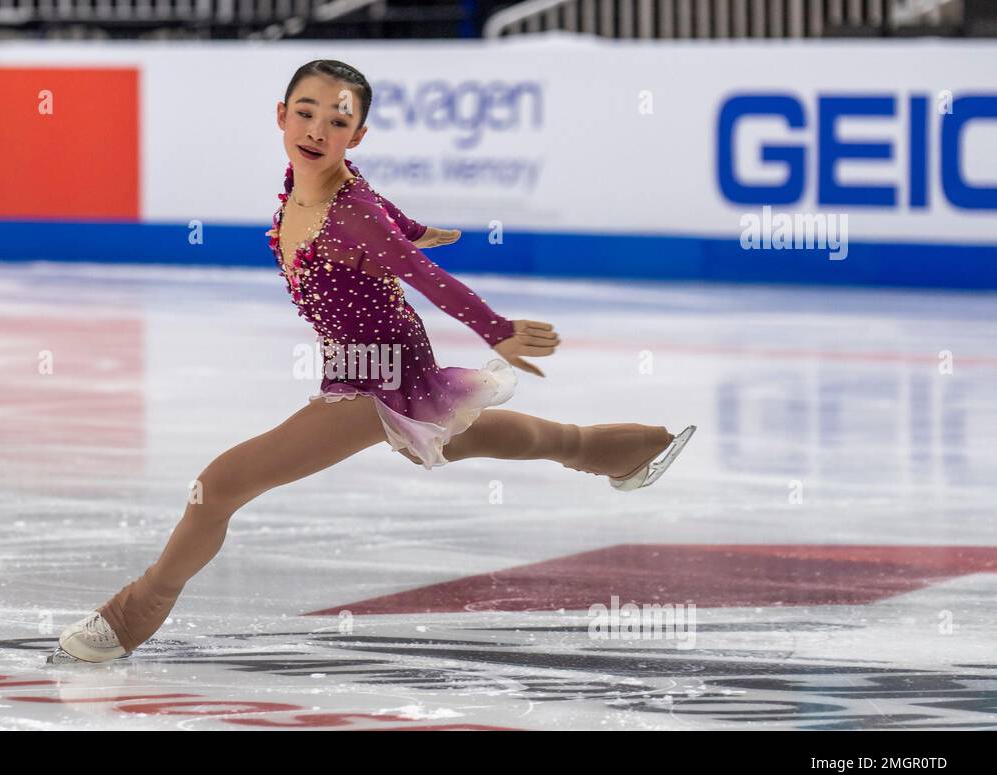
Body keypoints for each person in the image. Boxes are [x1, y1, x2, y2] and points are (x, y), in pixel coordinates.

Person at [51, 59, 695, 664]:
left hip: (374, 377)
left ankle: (131, 616)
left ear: (357, 134)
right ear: (280, 115)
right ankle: (624, 447)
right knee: (456, 443)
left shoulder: (346, 207)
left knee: (217, 486)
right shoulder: (309, 187)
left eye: (337, 121)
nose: (317, 131)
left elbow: (417, 272)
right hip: (367, 362)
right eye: (306, 113)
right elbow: (388, 217)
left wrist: (494, 329)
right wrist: (413, 226)